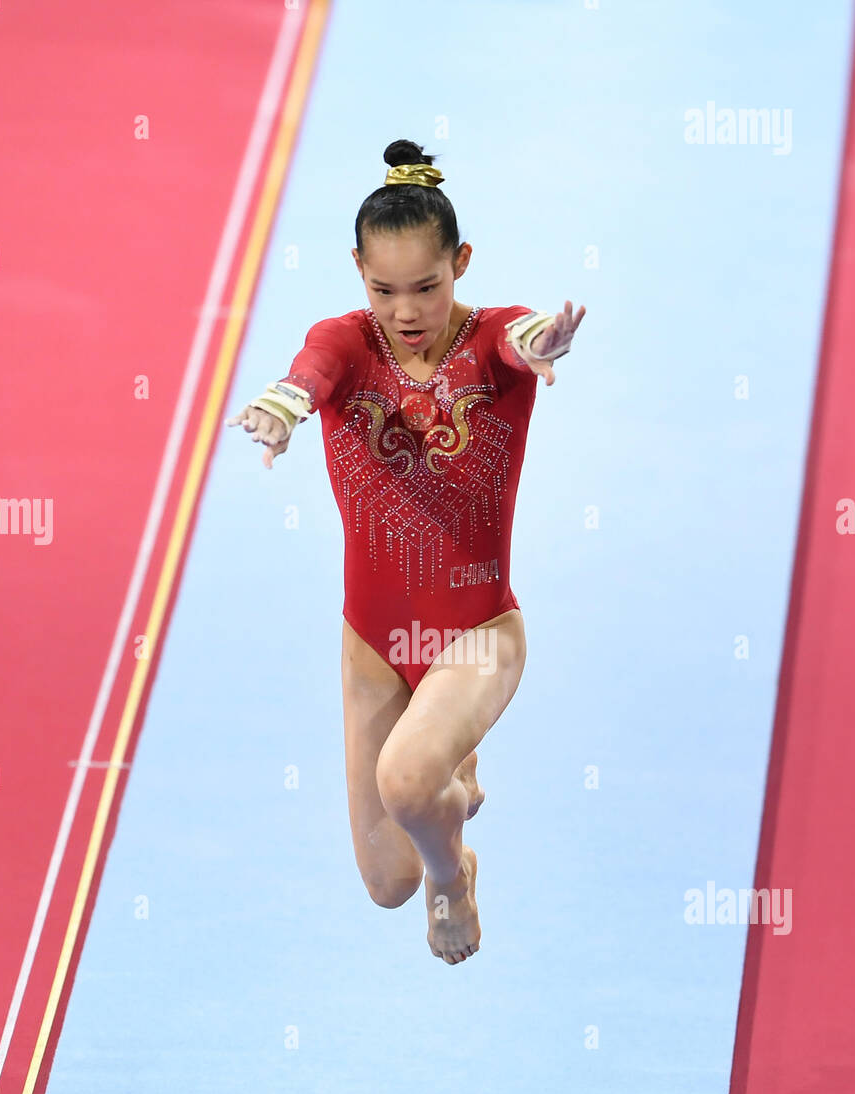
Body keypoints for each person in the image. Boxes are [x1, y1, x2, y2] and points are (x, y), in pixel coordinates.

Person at [226, 139, 585, 965]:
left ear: (460, 262)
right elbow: (309, 371)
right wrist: (283, 406)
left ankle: (453, 878)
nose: (407, 309)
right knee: (385, 881)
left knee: (409, 785)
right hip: (373, 646)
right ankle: (448, 788)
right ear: (357, 269)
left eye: (427, 285)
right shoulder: (347, 342)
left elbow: (518, 337)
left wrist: (541, 344)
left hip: (476, 632)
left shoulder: (492, 337)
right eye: (383, 288)